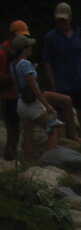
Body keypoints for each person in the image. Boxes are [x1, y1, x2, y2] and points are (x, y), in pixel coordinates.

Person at [7, 34, 64, 162]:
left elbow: (17, 87)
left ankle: (28, 163)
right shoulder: (26, 64)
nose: (31, 48)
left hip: (21, 103)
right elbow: (33, 87)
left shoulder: (12, 65)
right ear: (24, 49)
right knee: (52, 131)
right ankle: (48, 162)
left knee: (28, 134)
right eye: (29, 46)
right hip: (33, 104)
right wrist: (47, 105)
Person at [43, 2, 81, 138]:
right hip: (62, 83)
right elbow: (47, 61)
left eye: (64, 19)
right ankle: (67, 145)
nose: (61, 22)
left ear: (70, 17)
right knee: (63, 119)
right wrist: (52, 82)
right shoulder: (51, 37)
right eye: (59, 20)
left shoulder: (79, 32)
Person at [0, 21, 30, 160]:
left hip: (18, 96)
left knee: (17, 132)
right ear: (11, 35)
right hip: (7, 97)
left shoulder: (19, 50)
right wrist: (17, 75)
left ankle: (13, 161)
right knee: (12, 132)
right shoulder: (2, 52)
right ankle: (8, 162)